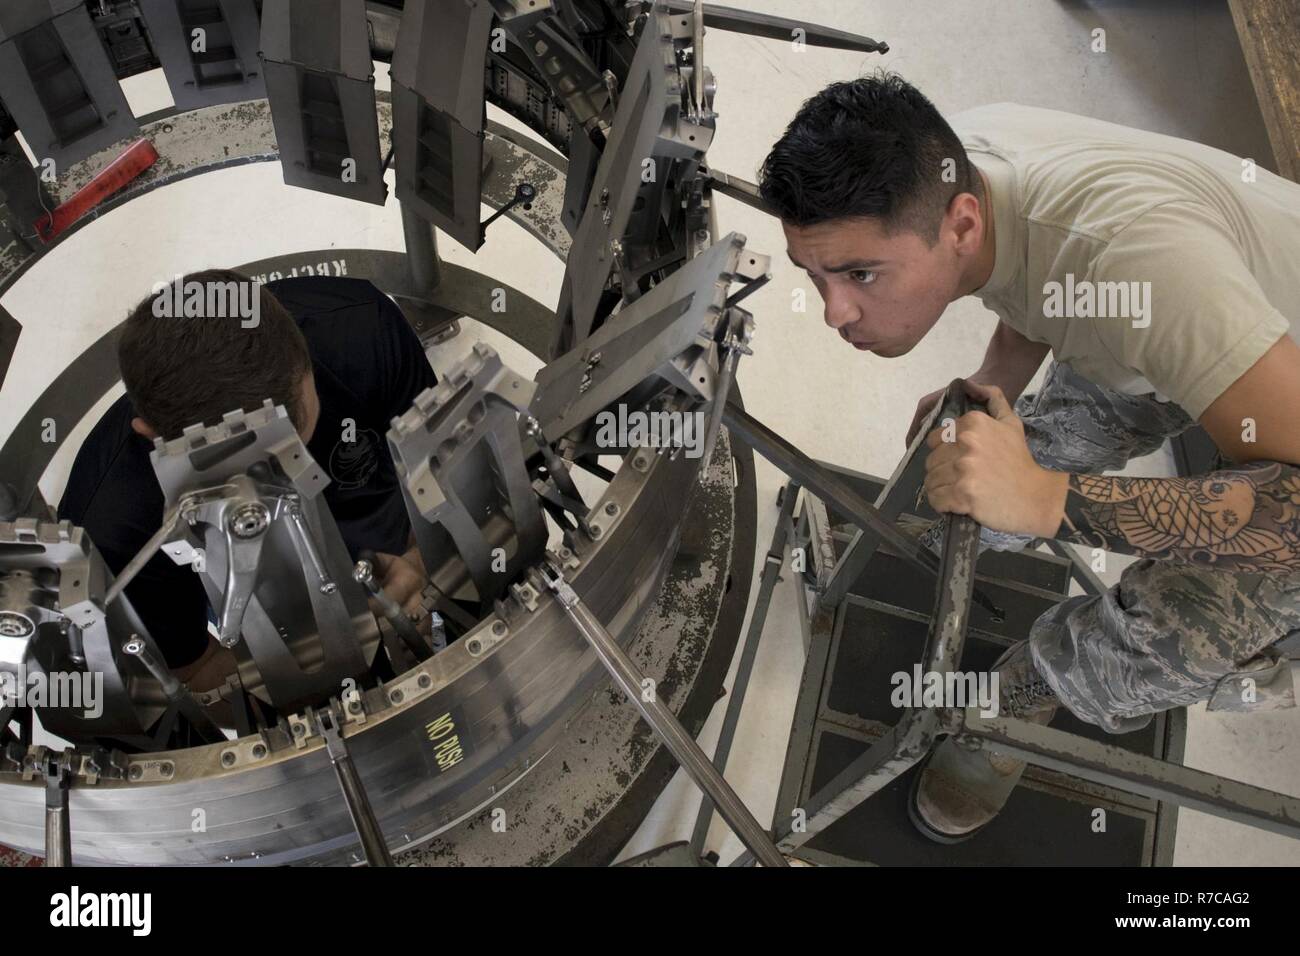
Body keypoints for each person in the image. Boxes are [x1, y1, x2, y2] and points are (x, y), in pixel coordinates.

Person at [758, 74, 1300, 842]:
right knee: (1000, 457)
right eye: (815, 276)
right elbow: (1037, 282)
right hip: (1189, 327)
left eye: (860, 276)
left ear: (962, 225)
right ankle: (994, 527)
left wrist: (1049, 499)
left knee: (1180, 632)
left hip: (1266, 383)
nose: (835, 313)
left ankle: (1022, 692)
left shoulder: (1142, 263)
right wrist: (991, 383)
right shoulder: (966, 162)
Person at [60, 270, 436, 690]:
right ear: (151, 434)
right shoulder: (114, 524)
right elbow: (198, 668)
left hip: (391, 539)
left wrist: (421, 563)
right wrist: (296, 686)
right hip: (258, 618)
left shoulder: (362, 327)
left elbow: (432, 475)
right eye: (245, 464)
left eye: (294, 438)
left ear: (304, 349)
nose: (291, 474)